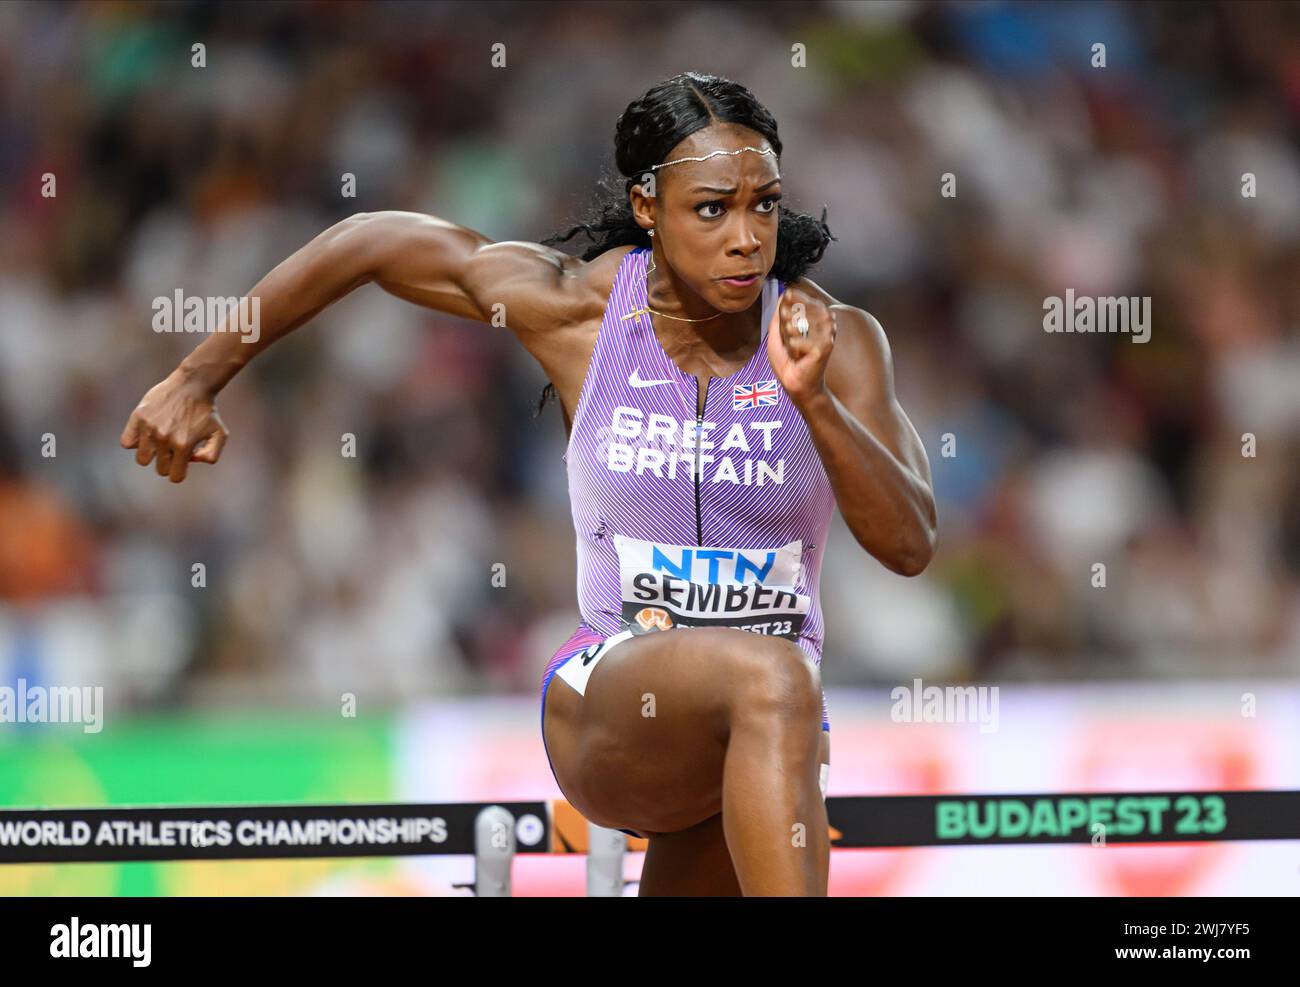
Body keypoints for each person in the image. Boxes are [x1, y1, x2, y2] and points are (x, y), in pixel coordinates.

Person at [120, 72, 937, 896]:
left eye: (765, 204)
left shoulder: (838, 342)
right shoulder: (579, 313)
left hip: (757, 739)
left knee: (772, 687)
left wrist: (815, 403)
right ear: (648, 207)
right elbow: (370, 241)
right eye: (712, 207)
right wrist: (197, 377)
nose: (746, 237)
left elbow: (909, 544)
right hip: (613, 703)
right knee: (775, 675)